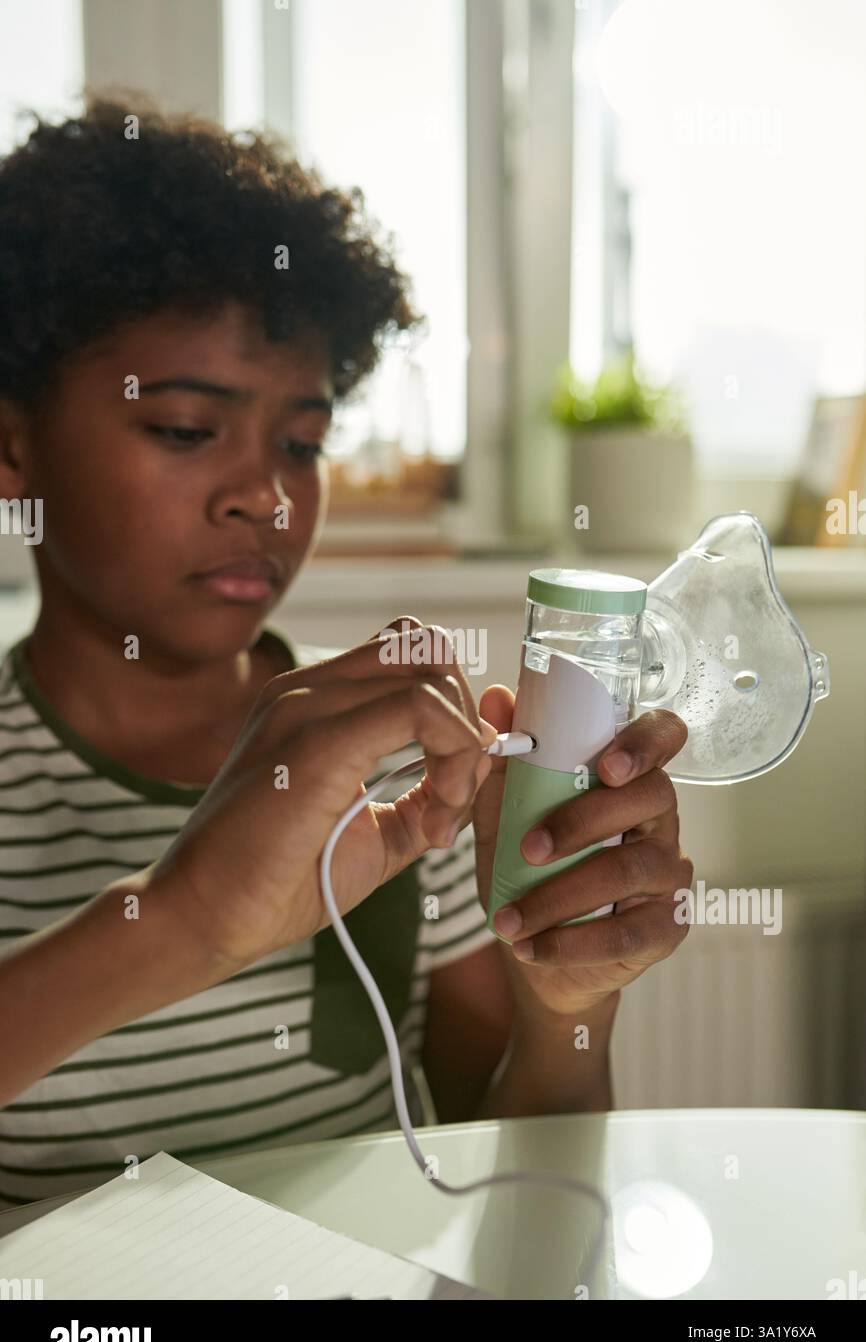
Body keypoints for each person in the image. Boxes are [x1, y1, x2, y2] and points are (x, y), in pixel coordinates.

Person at [0, 97, 692, 1208]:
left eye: (303, 442)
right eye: (184, 427)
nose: (265, 495)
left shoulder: (397, 745)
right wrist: (186, 917)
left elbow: (515, 1198)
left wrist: (566, 1008)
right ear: (14, 441)